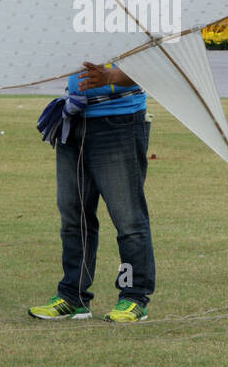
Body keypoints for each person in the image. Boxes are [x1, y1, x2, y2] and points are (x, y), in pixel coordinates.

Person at [29, 60, 154, 323]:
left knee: (128, 219)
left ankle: (133, 296)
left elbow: (152, 66)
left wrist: (109, 76)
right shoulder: (71, 21)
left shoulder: (129, 19)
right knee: (74, 217)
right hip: (74, 117)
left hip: (120, 120)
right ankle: (73, 296)